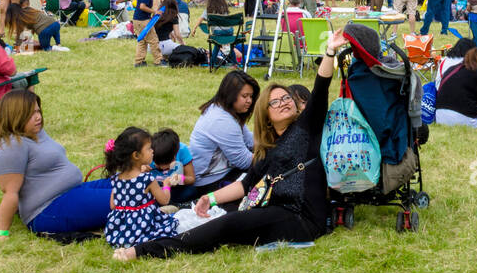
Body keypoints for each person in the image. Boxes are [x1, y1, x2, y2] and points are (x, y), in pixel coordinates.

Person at [114, 31, 345, 260]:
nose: (283, 103)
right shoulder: (266, 149)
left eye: (287, 98)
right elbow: (245, 185)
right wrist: (210, 199)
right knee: (223, 214)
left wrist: (330, 51)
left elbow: (321, 87)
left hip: (302, 218)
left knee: (227, 224)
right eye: (275, 101)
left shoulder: (306, 129)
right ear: (266, 114)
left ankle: (143, 251)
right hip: (276, 209)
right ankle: (164, 228)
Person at [0, 89, 112, 240]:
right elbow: (9, 192)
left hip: (74, 192)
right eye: (31, 114)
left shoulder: (35, 132)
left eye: (38, 111)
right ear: (16, 116)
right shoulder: (11, 146)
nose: (38, 117)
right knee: (128, 196)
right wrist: (1, 233)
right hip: (49, 209)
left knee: (133, 183)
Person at [103, 126, 180, 249]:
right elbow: (164, 200)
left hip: (120, 231)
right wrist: (166, 185)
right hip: (143, 226)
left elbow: (113, 205)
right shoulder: (147, 179)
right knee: (169, 224)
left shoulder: (117, 178)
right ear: (136, 155)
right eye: (149, 148)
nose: (152, 151)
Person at [187, 70, 260, 197]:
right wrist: (273, 155)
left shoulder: (222, 109)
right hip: (208, 183)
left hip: (219, 173)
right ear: (231, 94)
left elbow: (249, 141)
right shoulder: (222, 120)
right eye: (245, 96)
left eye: (251, 96)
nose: (249, 101)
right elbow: (244, 161)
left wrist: (274, 143)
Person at [151, 127, 197, 204]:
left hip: (176, 189)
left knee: (191, 191)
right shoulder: (150, 152)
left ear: (175, 155)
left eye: (168, 166)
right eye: (158, 165)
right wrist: (142, 170)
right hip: (156, 189)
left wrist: (180, 179)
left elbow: (191, 179)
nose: (163, 168)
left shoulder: (182, 150)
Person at [2, 0, 66, 53]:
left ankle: (57, 48)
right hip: (55, 23)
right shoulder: (28, 9)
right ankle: (58, 44)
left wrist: (18, 47)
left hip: (44, 30)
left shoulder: (19, 18)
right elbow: (32, 28)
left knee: (46, 48)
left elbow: (20, 34)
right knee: (54, 31)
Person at [131, 0, 164, 67]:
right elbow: (142, 6)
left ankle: (139, 61)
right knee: (153, 40)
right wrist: (154, 11)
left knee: (142, 41)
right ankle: (158, 60)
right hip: (143, 20)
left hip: (137, 20)